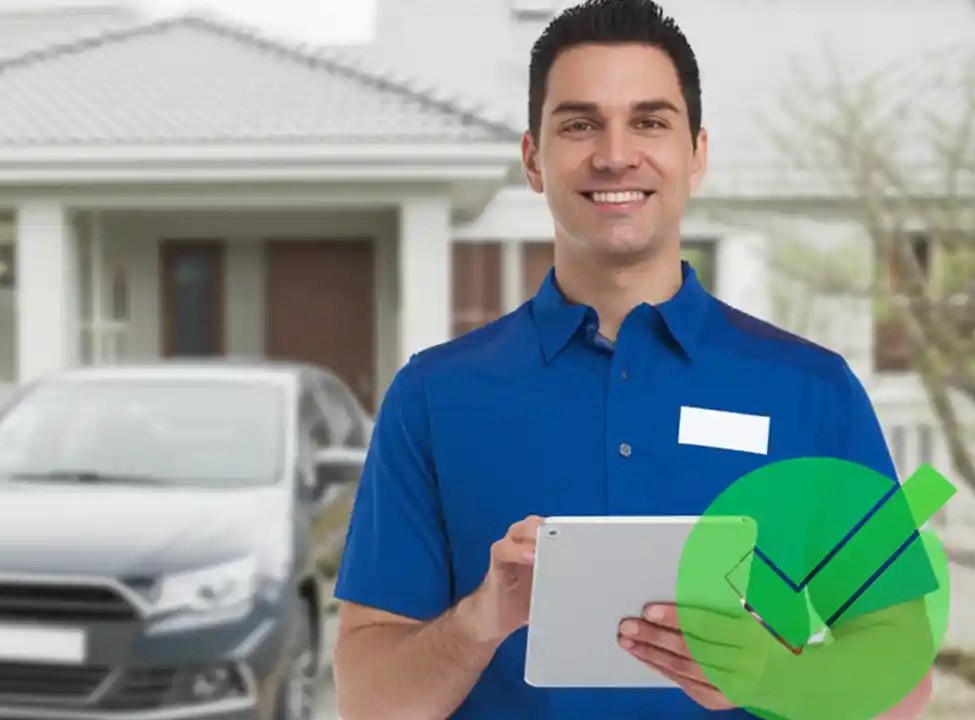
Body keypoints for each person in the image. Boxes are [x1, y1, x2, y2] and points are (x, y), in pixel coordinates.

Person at [330, 0, 938, 718]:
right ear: (533, 158)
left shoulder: (811, 392)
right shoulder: (434, 398)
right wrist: (478, 622)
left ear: (697, 154)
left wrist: (771, 676)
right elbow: (367, 703)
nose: (615, 154)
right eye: (580, 124)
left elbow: (906, 687)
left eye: (649, 121)